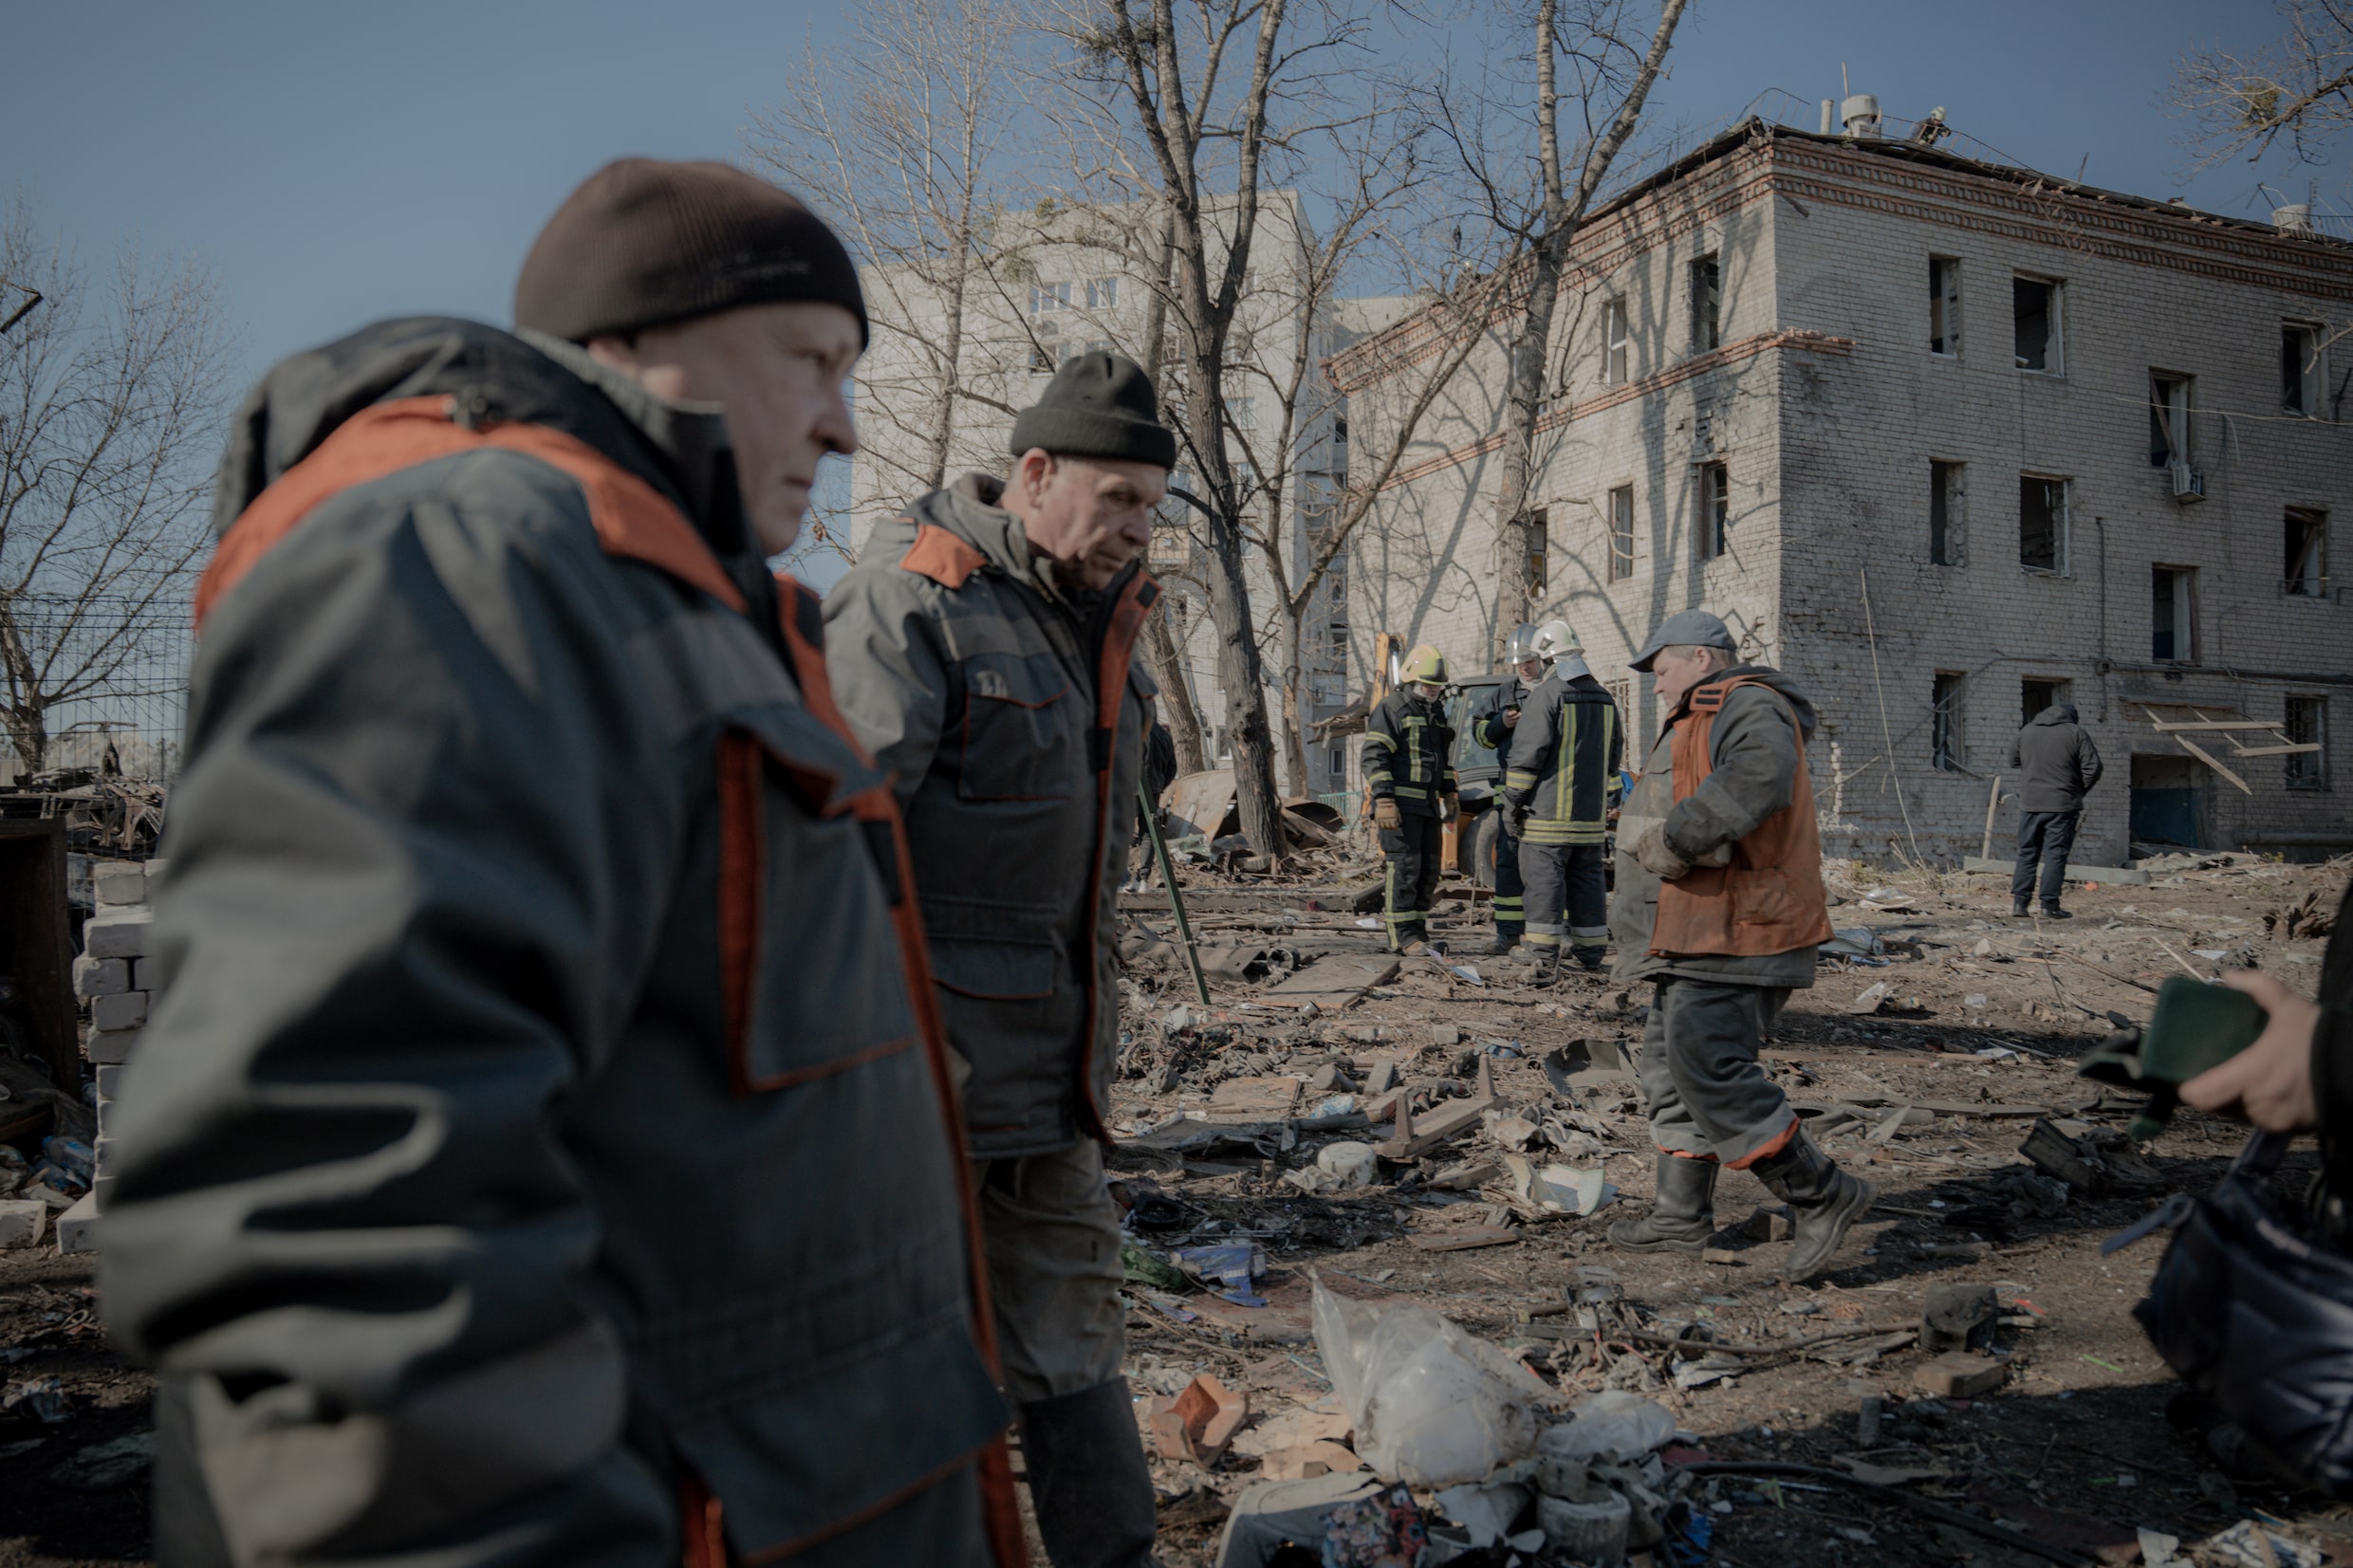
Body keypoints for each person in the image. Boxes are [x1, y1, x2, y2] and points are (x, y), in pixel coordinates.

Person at [99, 160, 1018, 1568]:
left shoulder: (693, 604)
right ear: (642, 343)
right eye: (813, 359)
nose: (841, 424)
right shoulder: (467, 561)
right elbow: (336, 1223)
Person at [823, 352, 1168, 1568]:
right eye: (1116, 497)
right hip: (921, 1083)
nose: (1135, 528)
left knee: (1074, 1340)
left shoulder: (1100, 616)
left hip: (1054, 1079)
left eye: (1149, 505)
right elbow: (832, 850)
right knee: (896, 1368)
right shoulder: (909, 600)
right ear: (1031, 473)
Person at [1603, 610, 1873, 1282]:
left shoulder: (1746, 702)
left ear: (1702, 657)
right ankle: (1679, 1215)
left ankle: (1823, 1193)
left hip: (1738, 928)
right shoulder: (1700, 713)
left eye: (1662, 670)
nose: (1657, 686)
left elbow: (1759, 774)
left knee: (1708, 1065)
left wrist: (1677, 837)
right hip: (1694, 931)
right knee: (1669, 1067)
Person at [1503, 619, 1622, 977]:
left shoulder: (1547, 696)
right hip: (1589, 818)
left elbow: (1527, 758)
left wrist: (1512, 804)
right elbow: (1612, 758)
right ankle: (1591, 951)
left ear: (1546, 659)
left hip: (1547, 816)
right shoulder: (1605, 697)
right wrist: (1610, 798)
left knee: (1545, 881)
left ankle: (1541, 950)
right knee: (1588, 880)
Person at [1363, 645, 1457, 956]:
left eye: (1437, 685)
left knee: (1427, 871)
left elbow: (1442, 758)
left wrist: (1449, 793)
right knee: (1404, 869)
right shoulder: (1393, 708)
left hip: (1428, 807)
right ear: (1411, 678)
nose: (1433, 690)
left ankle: (1417, 932)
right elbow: (1374, 755)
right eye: (1429, 684)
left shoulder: (1436, 713)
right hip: (1400, 809)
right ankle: (1401, 937)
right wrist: (1384, 798)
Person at [1469, 623, 1544, 953]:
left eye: (1528, 660)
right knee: (1509, 863)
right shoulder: (1505, 693)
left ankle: (1551, 930)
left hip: (1547, 793)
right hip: (1510, 793)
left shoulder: (1555, 689)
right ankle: (1508, 933)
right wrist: (1501, 724)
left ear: (1542, 658)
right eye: (1518, 663)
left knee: (1547, 863)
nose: (1524, 667)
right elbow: (1480, 732)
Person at [2009, 699, 2103, 920]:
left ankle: (2019, 905)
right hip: (2062, 805)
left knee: (2026, 852)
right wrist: (2078, 790)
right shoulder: (2075, 732)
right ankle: (2049, 906)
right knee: (2055, 854)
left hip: (2030, 803)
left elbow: (2013, 760)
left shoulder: (2027, 731)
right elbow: (2094, 767)